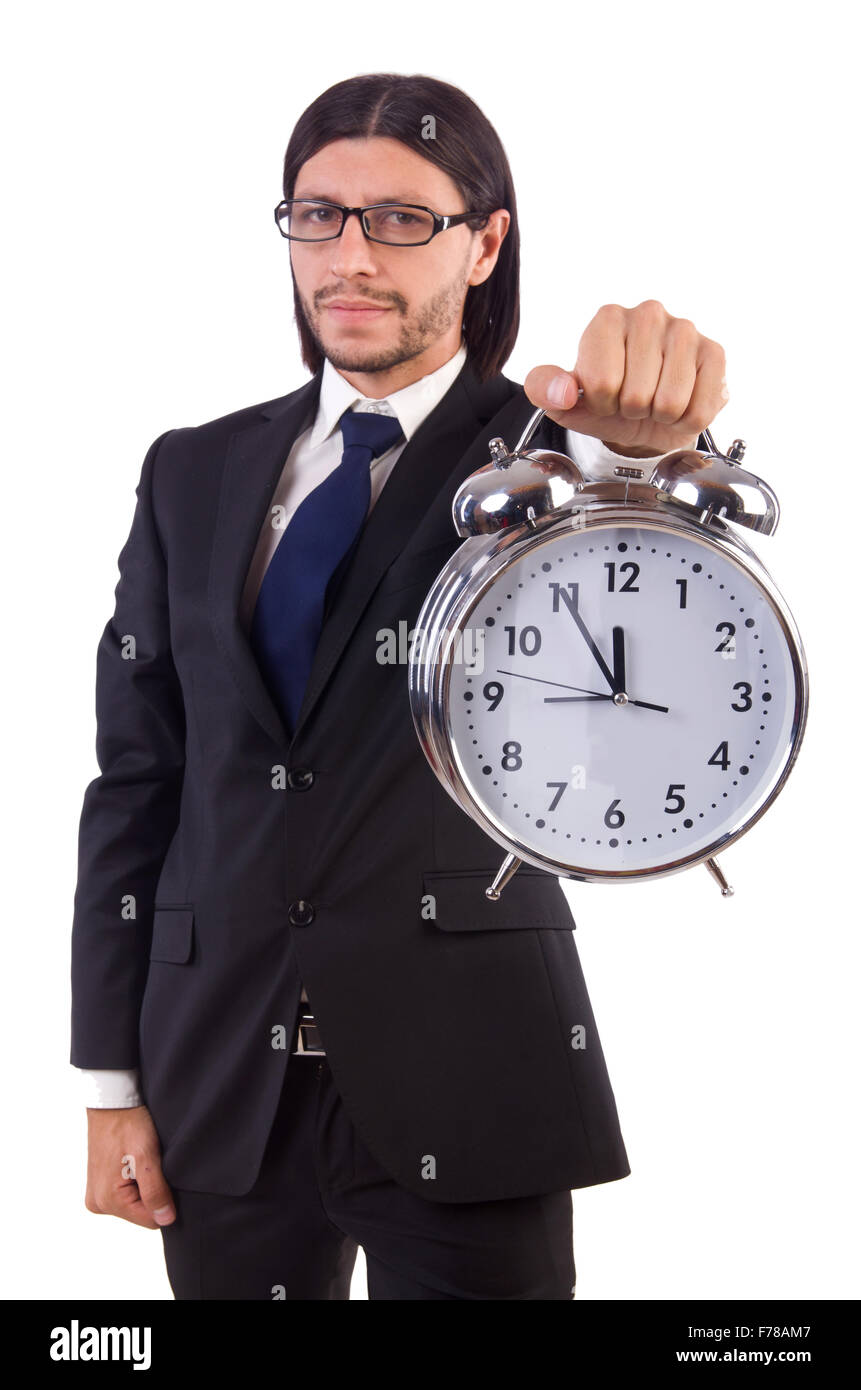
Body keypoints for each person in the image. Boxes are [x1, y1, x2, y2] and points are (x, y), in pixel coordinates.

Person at [71, 71, 728, 1301]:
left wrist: (636, 445)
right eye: (318, 216)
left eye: (400, 219)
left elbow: (640, 555)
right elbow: (138, 782)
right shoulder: (192, 471)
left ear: (484, 245)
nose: (350, 255)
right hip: (221, 1083)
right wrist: (112, 1082)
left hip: (472, 1076)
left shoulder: (546, 465)